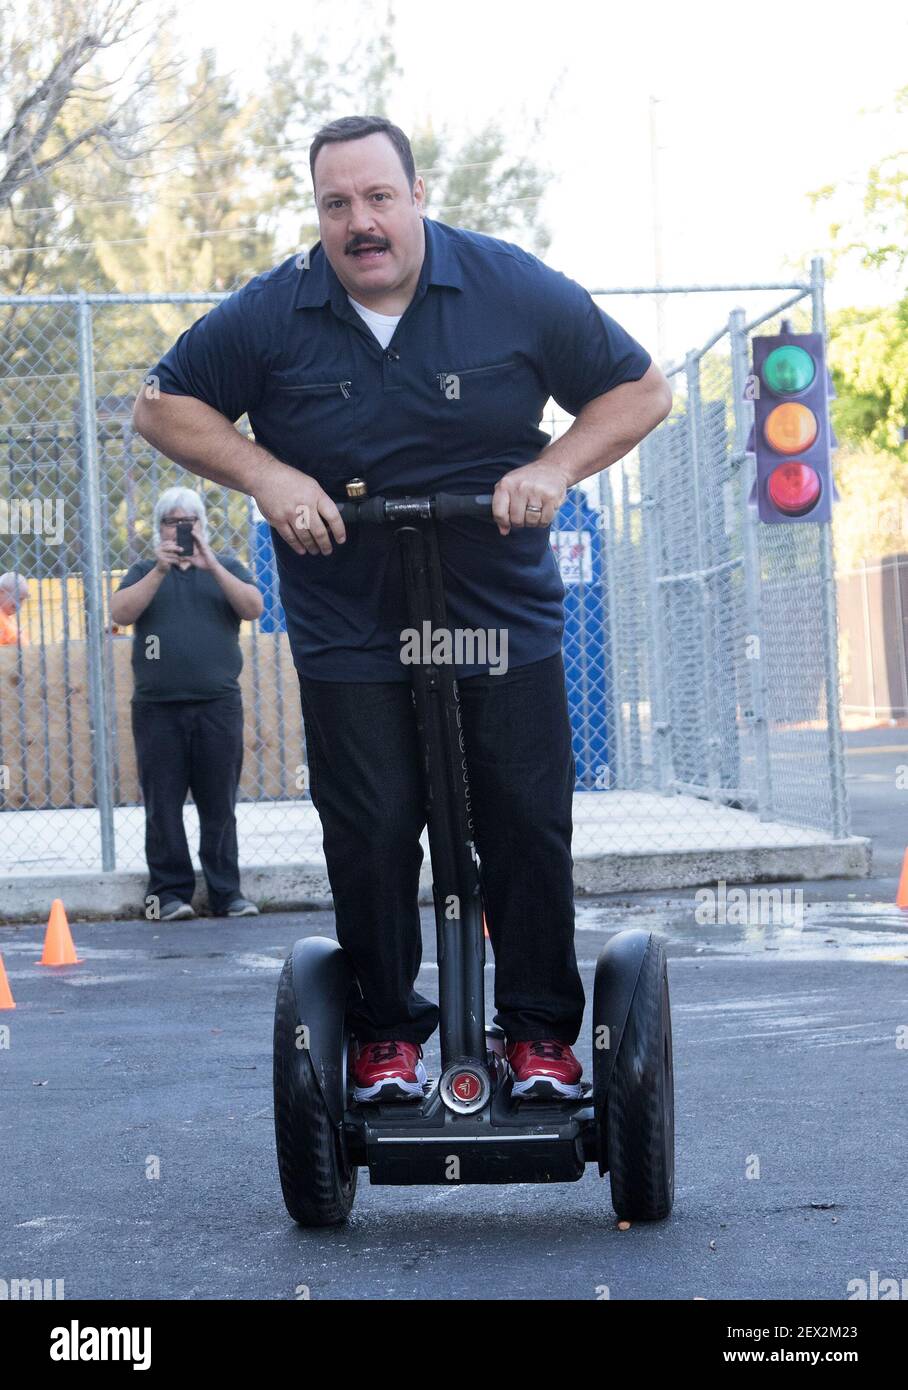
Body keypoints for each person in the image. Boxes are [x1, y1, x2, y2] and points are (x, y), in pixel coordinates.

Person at [132, 115, 673, 1098]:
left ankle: (541, 1036)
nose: (360, 223)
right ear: (318, 214)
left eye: (378, 197)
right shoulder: (274, 312)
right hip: (352, 618)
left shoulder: (506, 287)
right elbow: (161, 403)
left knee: (521, 819)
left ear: (416, 195)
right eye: (336, 203)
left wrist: (551, 467)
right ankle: (384, 1036)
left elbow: (639, 390)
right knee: (372, 824)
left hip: (493, 607)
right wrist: (267, 476)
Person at [111, 487, 264, 921]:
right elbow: (120, 613)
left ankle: (226, 895)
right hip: (158, 710)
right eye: (172, 522)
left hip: (217, 706)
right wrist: (160, 570)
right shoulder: (143, 570)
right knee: (163, 806)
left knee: (220, 806)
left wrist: (210, 563)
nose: (182, 530)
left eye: (189, 521)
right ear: (159, 529)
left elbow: (254, 607)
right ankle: (168, 896)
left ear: (202, 526)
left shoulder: (226, 567)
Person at [0, 572, 29, 645]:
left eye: (22, 600)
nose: (19, 605)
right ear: (1, 592)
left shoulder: (7, 617)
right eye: (19, 599)